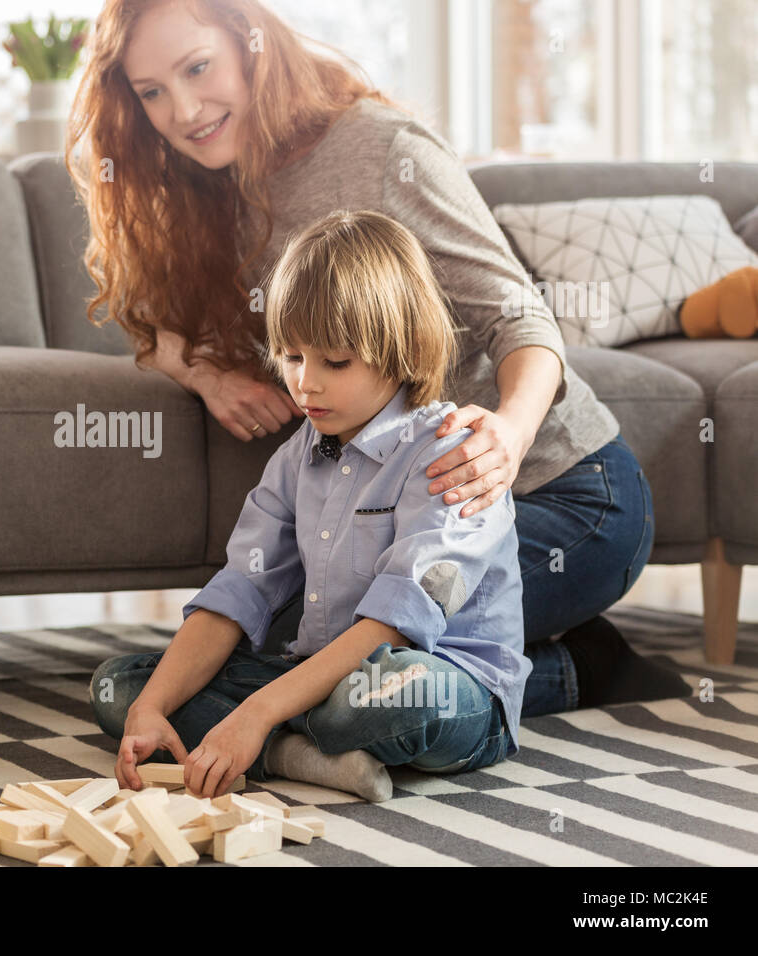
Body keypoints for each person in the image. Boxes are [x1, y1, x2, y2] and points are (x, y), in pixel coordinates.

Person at [67, 0, 688, 718]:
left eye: (198, 68)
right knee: (260, 653)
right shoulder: (198, 192)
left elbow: (519, 316)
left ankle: (582, 668)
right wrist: (210, 377)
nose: (182, 109)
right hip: (395, 524)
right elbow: (148, 324)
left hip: (565, 497)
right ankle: (519, 657)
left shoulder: (379, 149)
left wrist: (509, 436)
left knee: (331, 653)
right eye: (151, 92)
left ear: (250, 45)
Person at [94, 209, 530, 801]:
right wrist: (151, 707)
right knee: (121, 688)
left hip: (442, 685)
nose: (305, 383)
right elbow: (239, 592)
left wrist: (256, 711)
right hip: (319, 674)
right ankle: (299, 755)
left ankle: (272, 736)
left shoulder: (453, 455)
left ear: (401, 348)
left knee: (397, 692)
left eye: (335, 362)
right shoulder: (298, 454)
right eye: (292, 356)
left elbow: (397, 627)